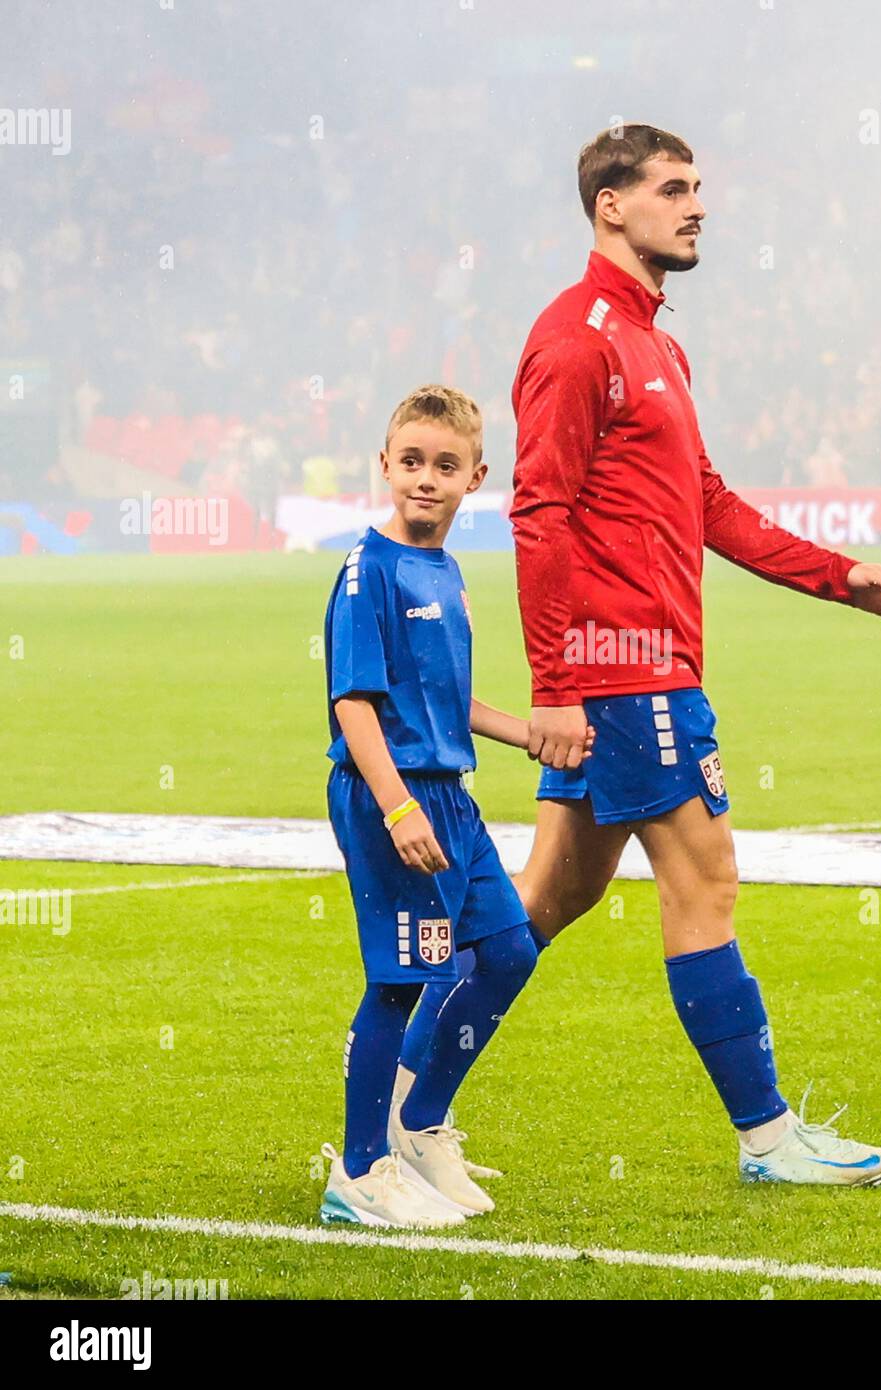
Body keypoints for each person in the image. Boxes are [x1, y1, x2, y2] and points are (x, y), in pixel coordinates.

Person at [407, 125, 881, 1187]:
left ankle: (403, 1115)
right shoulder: (576, 340)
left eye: (697, 189)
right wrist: (557, 686)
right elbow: (539, 514)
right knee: (708, 882)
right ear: (610, 204)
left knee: (543, 901)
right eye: (674, 189)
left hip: (639, 667)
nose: (697, 207)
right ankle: (770, 1140)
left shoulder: (656, 343)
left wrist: (841, 576)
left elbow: (708, 505)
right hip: (624, 669)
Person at [319, 384, 565, 1228]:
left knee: (505, 951)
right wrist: (395, 808)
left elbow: (442, 697)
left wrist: (522, 732)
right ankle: (358, 1173)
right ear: (384, 465)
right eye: (412, 461)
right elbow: (355, 706)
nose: (426, 478)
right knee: (398, 983)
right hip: (392, 797)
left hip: (449, 797)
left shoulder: (447, 570)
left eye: (445, 466)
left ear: (475, 478)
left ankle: (420, 1125)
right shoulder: (367, 571)